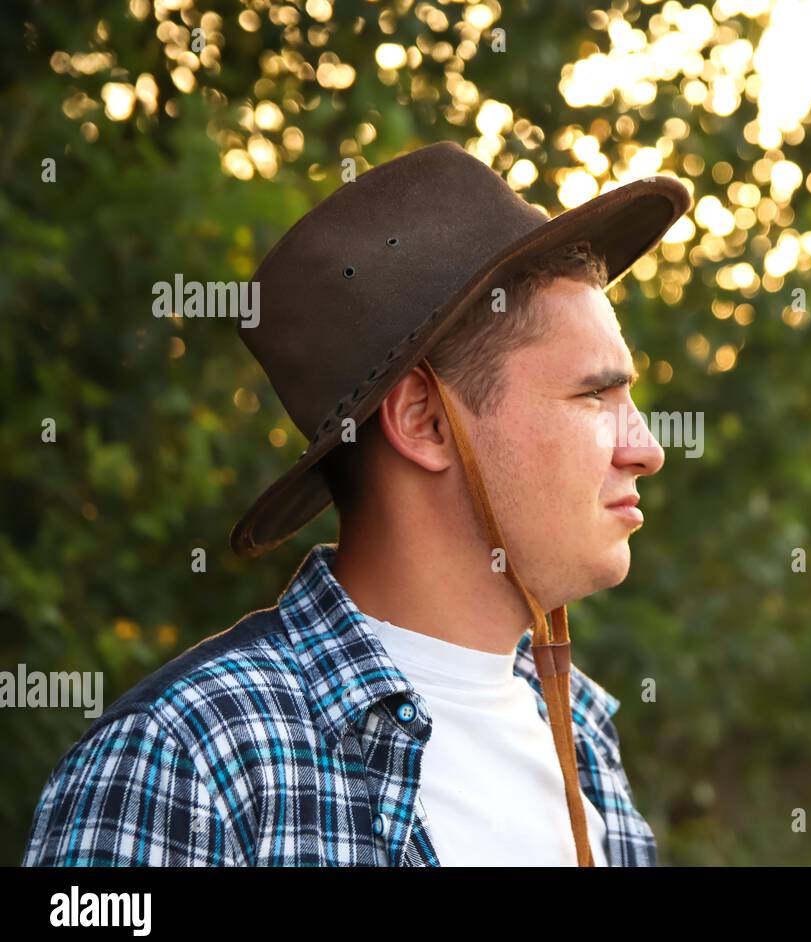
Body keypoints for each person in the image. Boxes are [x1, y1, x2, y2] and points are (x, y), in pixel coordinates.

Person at [22, 141, 691, 866]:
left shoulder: (582, 736)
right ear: (424, 422)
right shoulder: (189, 761)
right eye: (595, 395)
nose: (647, 448)